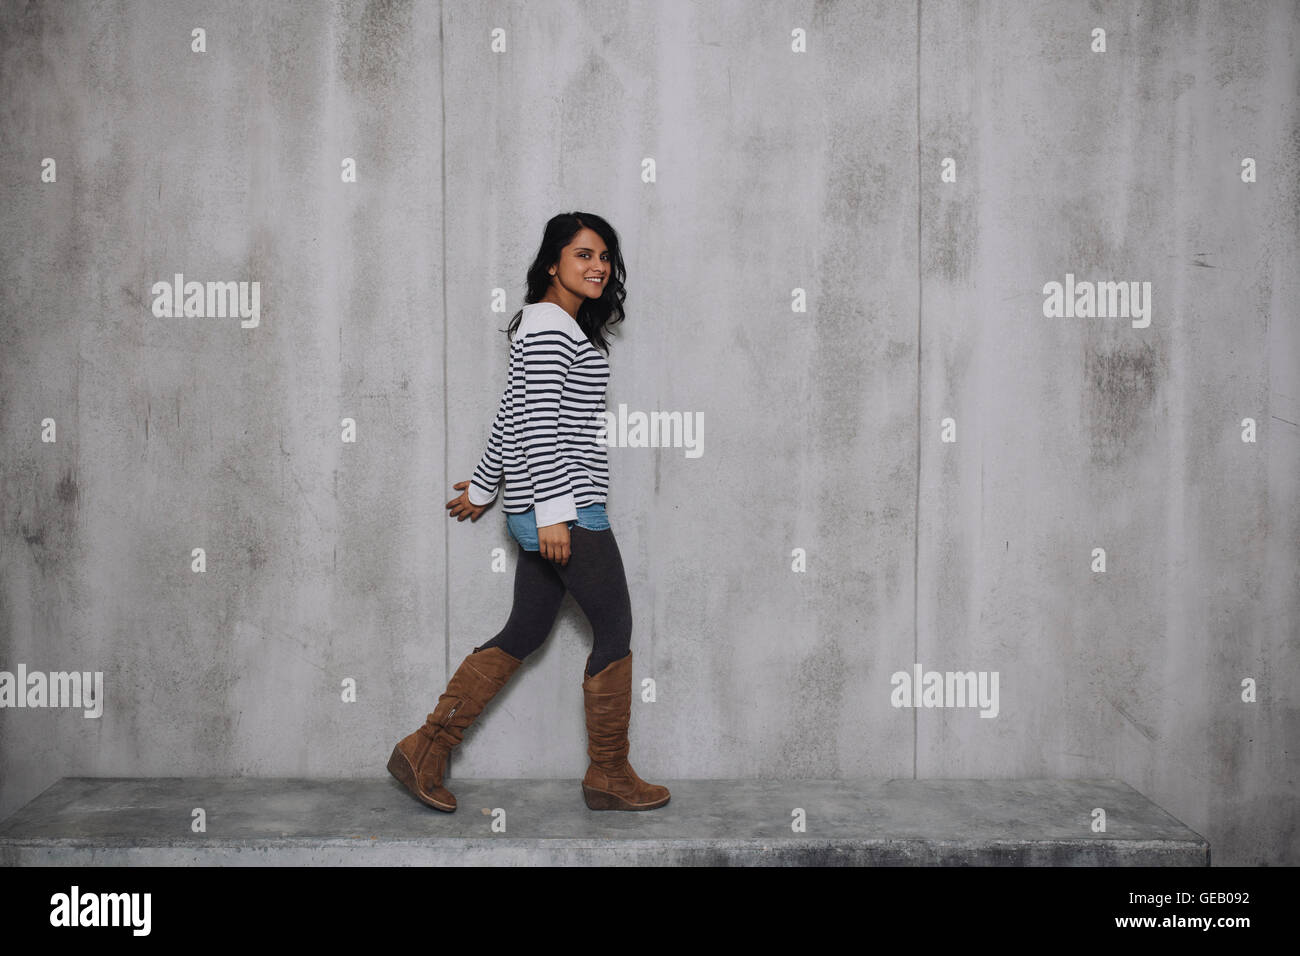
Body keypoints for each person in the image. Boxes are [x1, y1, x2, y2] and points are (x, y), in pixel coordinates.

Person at [387, 212, 670, 813]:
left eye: (605, 258)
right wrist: (553, 514)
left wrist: (487, 487)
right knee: (614, 632)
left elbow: (512, 410)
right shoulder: (549, 326)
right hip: (566, 509)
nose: (598, 267)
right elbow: (539, 426)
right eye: (583, 255)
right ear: (552, 263)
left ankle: (423, 749)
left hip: (543, 505)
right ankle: (609, 776)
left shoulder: (551, 324)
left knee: (525, 631)